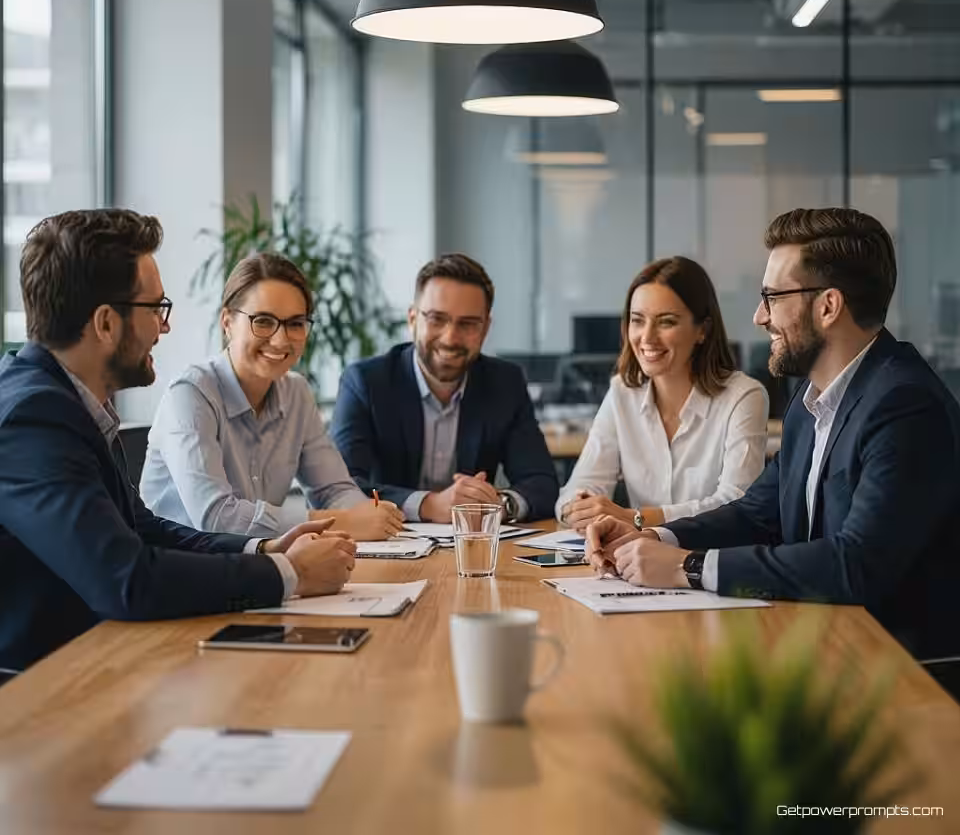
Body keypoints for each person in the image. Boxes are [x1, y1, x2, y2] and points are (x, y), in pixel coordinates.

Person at [585, 208, 960, 660]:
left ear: (828, 306)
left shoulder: (905, 405)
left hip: (896, 668)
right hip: (824, 640)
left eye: (772, 297)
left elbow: (857, 564)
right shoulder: (812, 399)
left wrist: (689, 567)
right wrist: (652, 536)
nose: (759, 316)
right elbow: (758, 515)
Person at [0, 210, 356, 672]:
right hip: (45, 684)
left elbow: (145, 530)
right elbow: (126, 579)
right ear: (106, 324)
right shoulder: (33, 418)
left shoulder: (71, 402)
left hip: (105, 654)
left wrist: (265, 549)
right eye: (156, 309)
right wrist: (291, 573)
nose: (164, 327)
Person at [140, 253, 402, 541]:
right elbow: (217, 517)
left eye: (295, 324)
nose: (280, 340)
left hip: (253, 560)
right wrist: (341, 522)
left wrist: (366, 514)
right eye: (263, 321)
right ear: (227, 322)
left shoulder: (297, 393)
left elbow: (333, 490)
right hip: (178, 561)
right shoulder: (190, 395)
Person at [330, 253, 558, 523]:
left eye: (468, 324)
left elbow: (542, 483)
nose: (450, 338)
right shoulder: (365, 382)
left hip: (472, 542)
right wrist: (428, 505)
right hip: (388, 540)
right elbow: (340, 488)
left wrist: (499, 504)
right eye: (437, 319)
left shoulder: (505, 382)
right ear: (413, 319)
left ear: (485, 328)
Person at [556, 257, 769, 532]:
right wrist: (581, 507)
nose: (647, 337)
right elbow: (578, 487)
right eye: (637, 320)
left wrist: (638, 518)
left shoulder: (744, 396)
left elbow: (737, 504)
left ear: (702, 330)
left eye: (666, 322)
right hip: (635, 554)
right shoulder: (623, 392)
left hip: (710, 554)